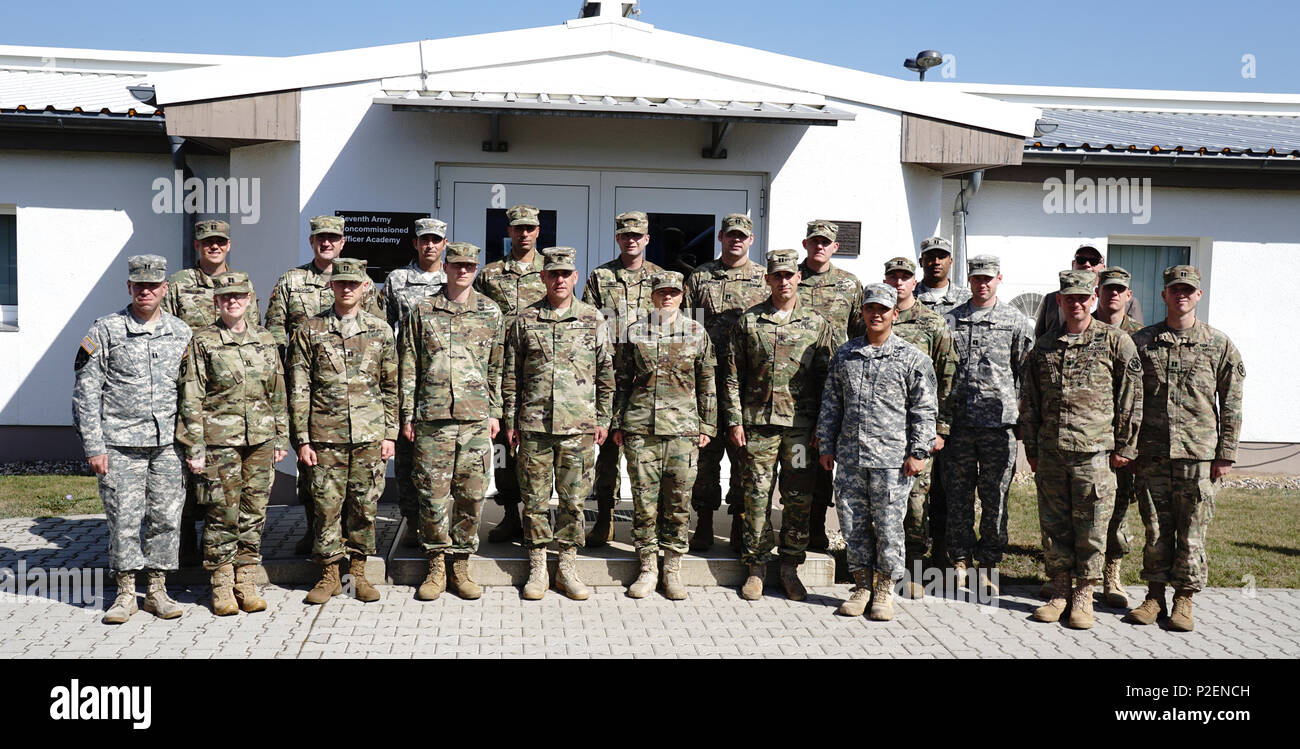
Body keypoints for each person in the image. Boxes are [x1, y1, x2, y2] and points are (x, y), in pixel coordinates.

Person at [1123, 265, 1244, 632]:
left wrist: (1226, 452)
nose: (1181, 295)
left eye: (1188, 290)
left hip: (1199, 455)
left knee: (1192, 530)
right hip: (1152, 453)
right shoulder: (1143, 342)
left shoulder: (1218, 343)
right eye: (1175, 289)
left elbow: (1233, 401)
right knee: (1156, 529)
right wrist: (1128, 446)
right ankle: (1154, 596)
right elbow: (1129, 399)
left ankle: (1185, 600)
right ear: (1164, 295)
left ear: (1198, 296)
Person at [1021, 270, 1143, 629]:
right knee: (1055, 526)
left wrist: (1126, 446)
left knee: (1091, 527)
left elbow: (1131, 399)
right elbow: (1030, 402)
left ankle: (1084, 595)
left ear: (1093, 300)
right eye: (1068, 298)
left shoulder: (1115, 342)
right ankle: (1059, 590)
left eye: (1082, 298)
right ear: (1059, 301)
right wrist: (1031, 447)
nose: (1076, 304)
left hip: (1095, 454)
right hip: (1052, 453)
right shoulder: (1043, 347)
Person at [73, 254, 192, 624]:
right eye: (139, 285)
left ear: (164, 289)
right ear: (129, 287)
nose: (146, 291)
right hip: (120, 444)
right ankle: (125, 594)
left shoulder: (181, 331)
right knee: (123, 519)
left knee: (166, 518)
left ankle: (157, 590)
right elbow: (86, 392)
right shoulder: (105, 330)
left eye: (153, 285)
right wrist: (94, 446)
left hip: (168, 446)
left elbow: (193, 393)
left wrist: (194, 444)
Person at [817, 283, 936, 620]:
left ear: (895, 314)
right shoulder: (846, 355)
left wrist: (919, 451)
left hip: (892, 461)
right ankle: (861, 585)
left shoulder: (912, 359)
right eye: (871, 308)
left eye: (883, 309)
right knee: (853, 525)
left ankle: (885, 588)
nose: (877, 314)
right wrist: (827, 445)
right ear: (863, 312)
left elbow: (925, 410)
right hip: (851, 459)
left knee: (887, 528)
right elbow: (831, 404)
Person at [503, 247, 615, 601]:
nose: (560, 279)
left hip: (578, 429)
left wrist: (603, 419)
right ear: (543, 277)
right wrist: (510, 419)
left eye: (566, 273)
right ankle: (537, 566)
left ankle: (567, 566)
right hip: (534, 427)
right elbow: (510, 376)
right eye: (553, 273)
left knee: (573, 501)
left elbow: (606, 376)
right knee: (535, 501)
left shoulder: (593, 319)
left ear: (576, 276)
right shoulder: (525, 320)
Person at [265, 215, 382, 557]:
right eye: (320, 237)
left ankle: (346, 538)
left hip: (353, 393)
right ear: (312, 241)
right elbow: (274, 330)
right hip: (307, 388)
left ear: (343, 242)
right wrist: (290, 370)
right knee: (314, 470)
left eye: (333, 237)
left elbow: (375, 331)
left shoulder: (364, 283)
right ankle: (317, 530)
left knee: (356, 478)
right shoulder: (291, 281)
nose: (327, 243)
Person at [176, 271, 289, 615]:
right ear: (217, 302)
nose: (233, 301)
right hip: (219, 441)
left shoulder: (266, 340)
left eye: (240, 296)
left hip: (260, 439)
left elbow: (277, 391)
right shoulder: (203, 341)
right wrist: (194, 446)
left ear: (251, 301)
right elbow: (191, 395)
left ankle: (246, 580)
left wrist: (281, 435)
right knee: (222, 511)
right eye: (227, 297)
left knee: (253, 512)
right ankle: (222, 584)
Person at [724, 249, 833, 601]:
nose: (783, 281)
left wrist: (823, 427)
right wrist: (735, 421)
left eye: (789, 275)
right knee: (755, 496)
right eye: (777, 275)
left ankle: (789, 566)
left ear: (798, 277)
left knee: (799, 497)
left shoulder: (816, 325)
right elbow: (731, 376)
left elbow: (828, 381)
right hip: (758, 427)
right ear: (767, 279)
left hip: (801, 430)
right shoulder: (748, 322)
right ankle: (755, 567)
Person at [287, 258, 398, 604]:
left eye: (354, 283)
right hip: (325, 436)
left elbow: (393, 386)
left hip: (368, 435)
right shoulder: (310, 329)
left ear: (365, 286)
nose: (347, 288)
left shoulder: (380, 331)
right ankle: (329, 574)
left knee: (363, 506)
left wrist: (390, 434)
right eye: (341, 283)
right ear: (332, 286)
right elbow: (299, 387)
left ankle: (358, 574)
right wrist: (302, 439)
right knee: (326, 506)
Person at [398, 242, 503, 601]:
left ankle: (461, 563)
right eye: (457, 265)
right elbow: (408, 363)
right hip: (433, 419)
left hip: (475, 418)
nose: (463, 271)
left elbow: (497, 368)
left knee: (472, 495)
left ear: (476, 269)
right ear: (446, 267)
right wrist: (407, 414)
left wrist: (497, 412)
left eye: (470, 266)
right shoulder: (423, 311)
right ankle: (436, 563)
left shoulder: (490, 312)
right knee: (432, 495)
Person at [612, 271, 717, 600]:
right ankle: (647, 568)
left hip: (683, 431)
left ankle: (672, 568)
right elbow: (621, 380)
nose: (667, 297)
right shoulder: (635, 332)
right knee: (644, 503)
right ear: (652, 296)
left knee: (678, 503)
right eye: (661, 292)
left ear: (683, 294)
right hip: (641, 428)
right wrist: (617, 423)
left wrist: (708, 426)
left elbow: (707, 382)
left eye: (673, 291)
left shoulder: (697, 333)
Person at [163, 218, 261, 567]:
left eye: (220, 241)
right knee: (190, 464)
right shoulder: (178, 284)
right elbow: (168, 331)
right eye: (207, 242)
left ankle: (218, 539)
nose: (214, 247)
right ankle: (187, 535)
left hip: (229, 395)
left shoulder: (242, 284)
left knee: (222, 477)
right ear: (197, 246)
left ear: (229, 245)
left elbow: (254, 335)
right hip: (188, 387)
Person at [943, 255, 1034, 593]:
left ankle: (989, 563)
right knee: (959, 495)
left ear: (999, 279)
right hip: (960, 425)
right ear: (969, 280)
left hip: (999, 426)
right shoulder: (950, 320)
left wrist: (1021, 414)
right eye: (977, 278)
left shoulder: (1015, 321)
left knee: (995, 496)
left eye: (988, 278)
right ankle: (960, 561)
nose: (982, 283)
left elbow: (1027, 373)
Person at [684, 213, 769, 552]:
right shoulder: (701, 277)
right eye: (731, 235)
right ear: (720, 237)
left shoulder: (764, 278)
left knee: (742, 455)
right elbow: (687, 326)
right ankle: (703, 523)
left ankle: (738, 522)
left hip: (746, 383)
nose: (736, 240)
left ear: (751, 240)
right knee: (705, 456)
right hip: (706, 380)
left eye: (743, 236)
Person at [581, 210, 664, 548]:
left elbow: (671, 326)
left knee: (646, 452)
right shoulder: (601, 277)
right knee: (606, 455)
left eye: (637, 235)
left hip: (646, 382)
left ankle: (650, 525)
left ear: (646, 239)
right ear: (617, 238)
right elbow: (588, 323)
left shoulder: (662, 278)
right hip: (609, 377)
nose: (631, 239)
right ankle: (604, 518)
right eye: (624, 235)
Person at [882, 256, 957, 598]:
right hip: (879, 430)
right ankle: (881, 567)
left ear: (916, 282)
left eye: (905, 277)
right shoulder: (874, 317)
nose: (898, 283)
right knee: (882, 502)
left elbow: (948, 377)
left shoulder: (932, 323)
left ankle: (912, 567)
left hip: (917, 430)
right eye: (892, 277)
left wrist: (939, 429)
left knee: (915, 504)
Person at [474, 204, 548, 543]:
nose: (524, 234)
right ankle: (509, 513)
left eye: (530, 228)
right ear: (510, 232)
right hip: (499, 365)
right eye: (518, 228)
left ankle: (540, 515)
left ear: (537, 231)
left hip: (538, 369)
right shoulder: (490, 274)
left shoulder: (551, 270)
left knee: (536, 441)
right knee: (504, 441)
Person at [795, 220, 864, 551]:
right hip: (792, 386)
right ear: (805, 244)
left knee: (823, 453)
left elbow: (861, 334)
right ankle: (791, 523)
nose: (819, 246)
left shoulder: (849, 285)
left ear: (835, 247)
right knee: (793, 458)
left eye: (826, 242)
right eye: (814, 241)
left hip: (832, 387)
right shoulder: (790, 278)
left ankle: (817, 525)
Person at [380, 217, 449, 549]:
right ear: (415, 243)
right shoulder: (397, 280)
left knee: (441, 456)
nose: (430, 245)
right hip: (407, 378)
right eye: (424, 240)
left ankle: (439, 522)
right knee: (407, 457)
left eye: (436, 240)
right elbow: (383, 328)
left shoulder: (455, 279)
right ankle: (411, 520)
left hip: (444, 382)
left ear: (444, 244)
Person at [1090, 267, 1146, 607]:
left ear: (1129, 295)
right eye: (1108, 288)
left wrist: (1134, 443)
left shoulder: (1142, 336)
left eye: (1120, 289)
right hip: (1087, 436)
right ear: (1098, 291)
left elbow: (1144, 392)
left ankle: (1112, 574)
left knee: (1119, 507)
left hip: (1123, 440)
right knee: (1077, 508)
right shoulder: (1080, 327)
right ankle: (1071, 575)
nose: (1113, 294)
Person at [1035, 244, 1143, 340]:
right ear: (1073, 264)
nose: (1087, 264)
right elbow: (1040, 336)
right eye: (1081, 260)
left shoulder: (1128, 302)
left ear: (1103, 267)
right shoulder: (1052, 299)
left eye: (1094, 261)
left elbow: (1139, 336)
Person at [915, 237, 971, 316]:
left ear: (950, 261)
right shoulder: (909, 296)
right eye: (930, 257)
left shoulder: (966, 298)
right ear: (921, 262)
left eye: (941, 257)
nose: (936, 262)